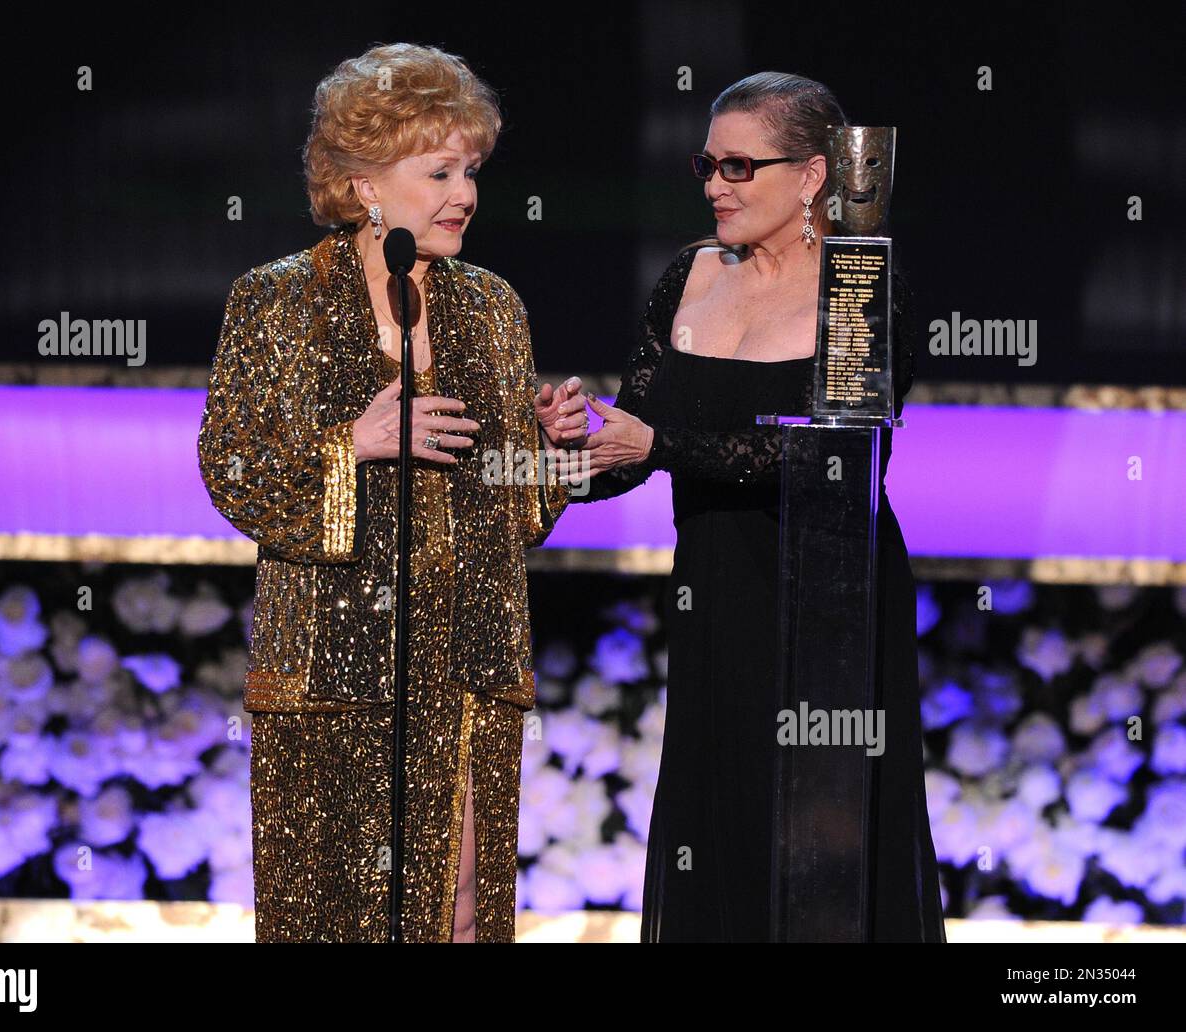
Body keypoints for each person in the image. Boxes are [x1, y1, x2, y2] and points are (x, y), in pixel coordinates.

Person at [197, 43, 588, 942]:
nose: (466, 193)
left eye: (473, 170)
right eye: (440, 169)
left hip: (467, 668)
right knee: (334, 916)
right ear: (366, 183)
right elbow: (234, 469)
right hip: (333, 671)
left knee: (457, 910)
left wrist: (550, 449)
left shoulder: (492, 306)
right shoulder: (278, 300)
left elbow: (514, 507)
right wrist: (353, 445)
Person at [563, 71, 946, 942]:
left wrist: (657, 447)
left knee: (824, 840)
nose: (713, 186)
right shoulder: (689, 276)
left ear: (811, 175)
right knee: (722, 819)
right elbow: (629, 451)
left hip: (829, 603)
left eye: (739, 167)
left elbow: (842, 456)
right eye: (707, 164)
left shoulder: (858, 286)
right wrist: (568, 444)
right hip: (714, 595)